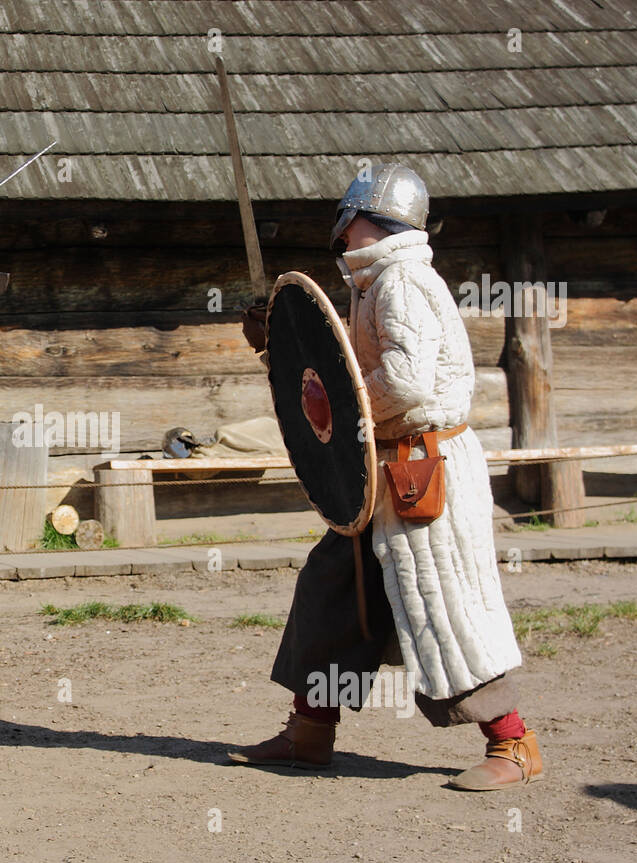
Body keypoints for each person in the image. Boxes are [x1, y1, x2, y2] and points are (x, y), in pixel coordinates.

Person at [230, 163, 543, 791]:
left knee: (446, 606)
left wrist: (338, 402)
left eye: (347, 222)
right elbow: (336, 369)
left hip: (424, 470)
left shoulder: (401, 280)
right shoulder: (373, 283)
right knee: (331, 588)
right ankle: (309, 731)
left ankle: (515, 745)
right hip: (379, 471)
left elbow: (404, 380)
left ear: (364, 217)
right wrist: (280, 345)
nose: (340, 234)